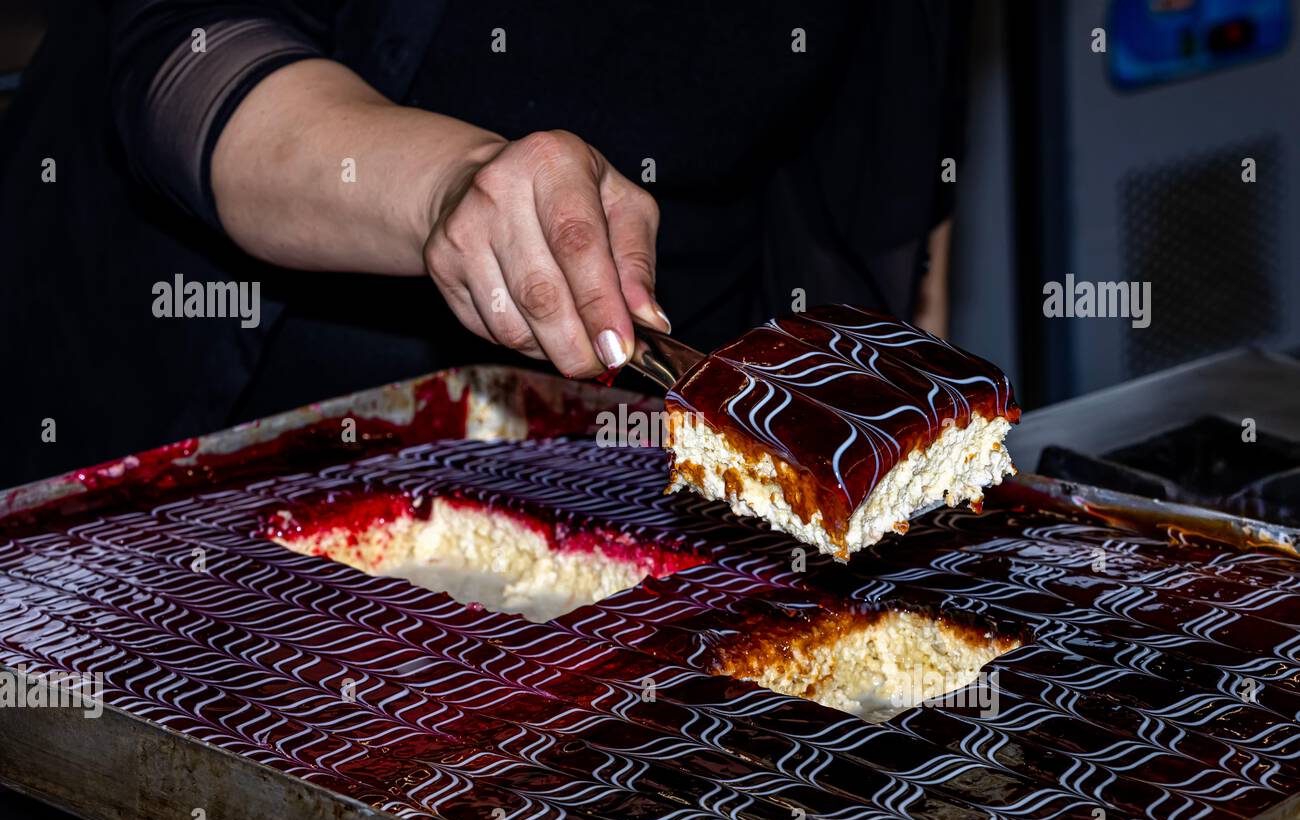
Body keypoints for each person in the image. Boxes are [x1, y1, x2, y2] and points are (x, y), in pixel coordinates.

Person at [0, 1, 970, 488]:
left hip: (643, 422)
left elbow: (884, 185)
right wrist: (451, 189)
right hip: (236, 394)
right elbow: (190, 50)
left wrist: (893, 462)